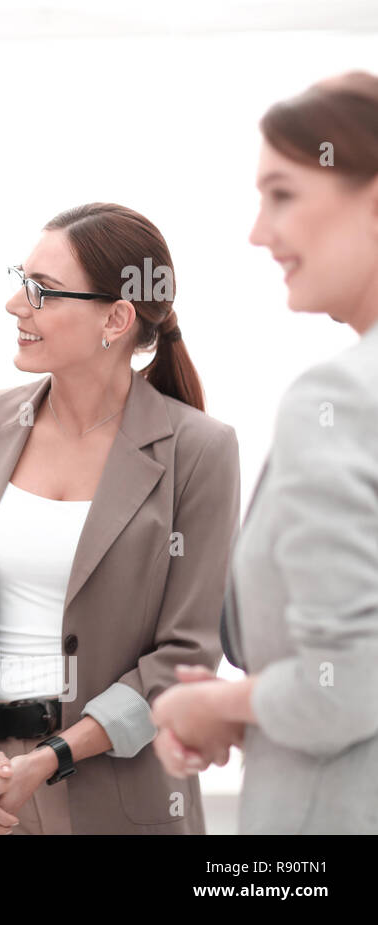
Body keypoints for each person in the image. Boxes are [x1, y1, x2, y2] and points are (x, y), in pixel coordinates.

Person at [0, 203, 240, 834]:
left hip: (122, 803)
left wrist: (53, 757)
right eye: (20, 279)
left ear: (116, 317)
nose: (15, 304)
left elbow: (186, 652)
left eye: (44, 291)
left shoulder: (198, 450)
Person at [152, 71, 378, 835]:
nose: (258, 231)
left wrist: (214, 702)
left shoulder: (343, 399)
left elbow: (348, 680)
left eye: (282, 193)